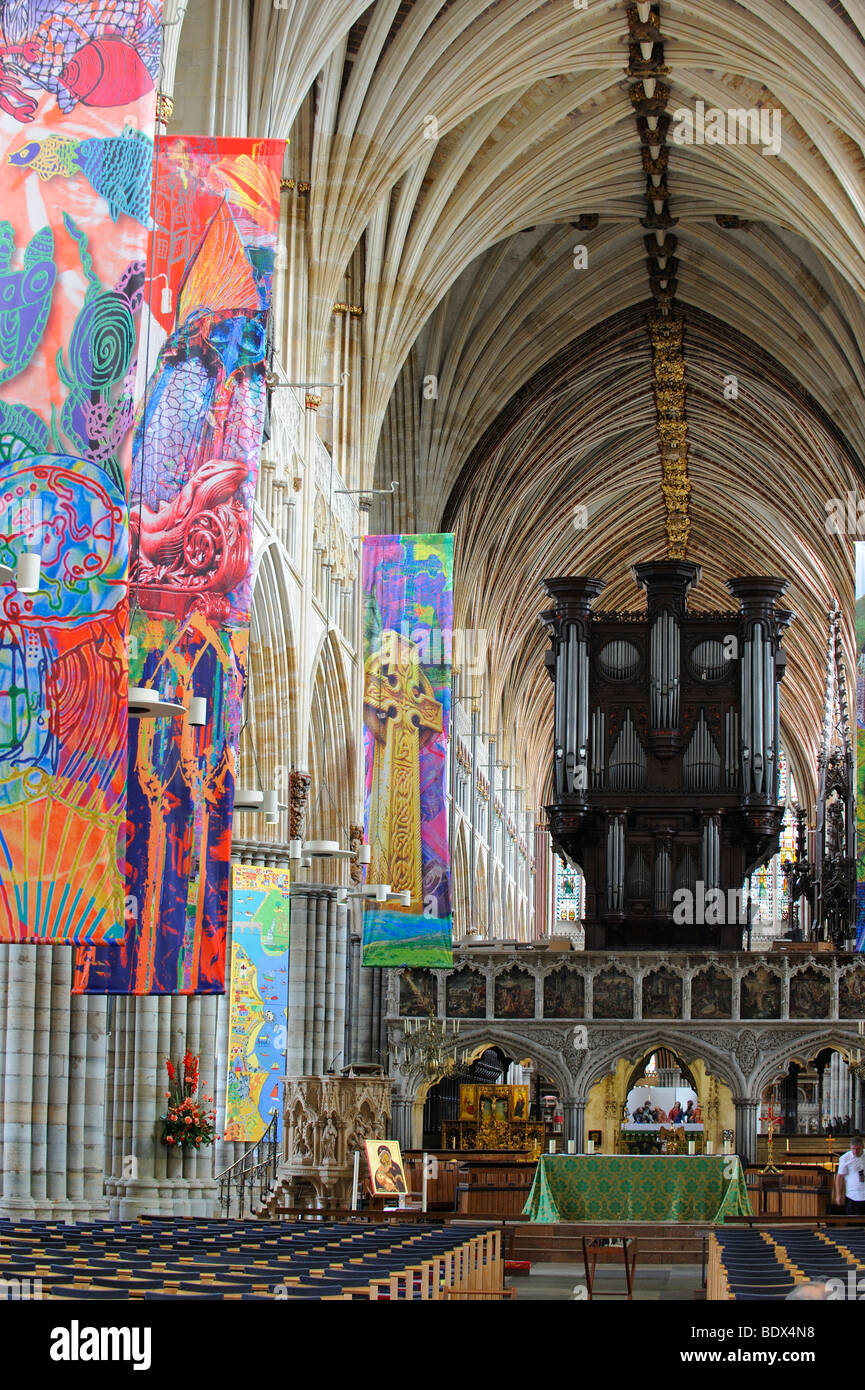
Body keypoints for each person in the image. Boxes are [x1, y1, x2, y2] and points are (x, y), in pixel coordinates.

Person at [834, 1134, 865, 1215]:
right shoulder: (845, 1158)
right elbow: (839, 1177)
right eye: (853, 1149)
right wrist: (838, 1195)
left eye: (857, 1149)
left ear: (863, 1147)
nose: (855, 1152)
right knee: (854, 1224)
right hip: (853, 1196)